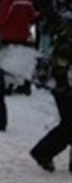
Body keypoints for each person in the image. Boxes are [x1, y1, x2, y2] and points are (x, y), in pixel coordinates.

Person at [30, 10, 72, 171]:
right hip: (65, 86)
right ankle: (42, 152)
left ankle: (43, 152)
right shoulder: (67, 36)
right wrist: (63, 85)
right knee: (69, 125)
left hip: (63, 85)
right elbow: (60, 64)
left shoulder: (63, 32)